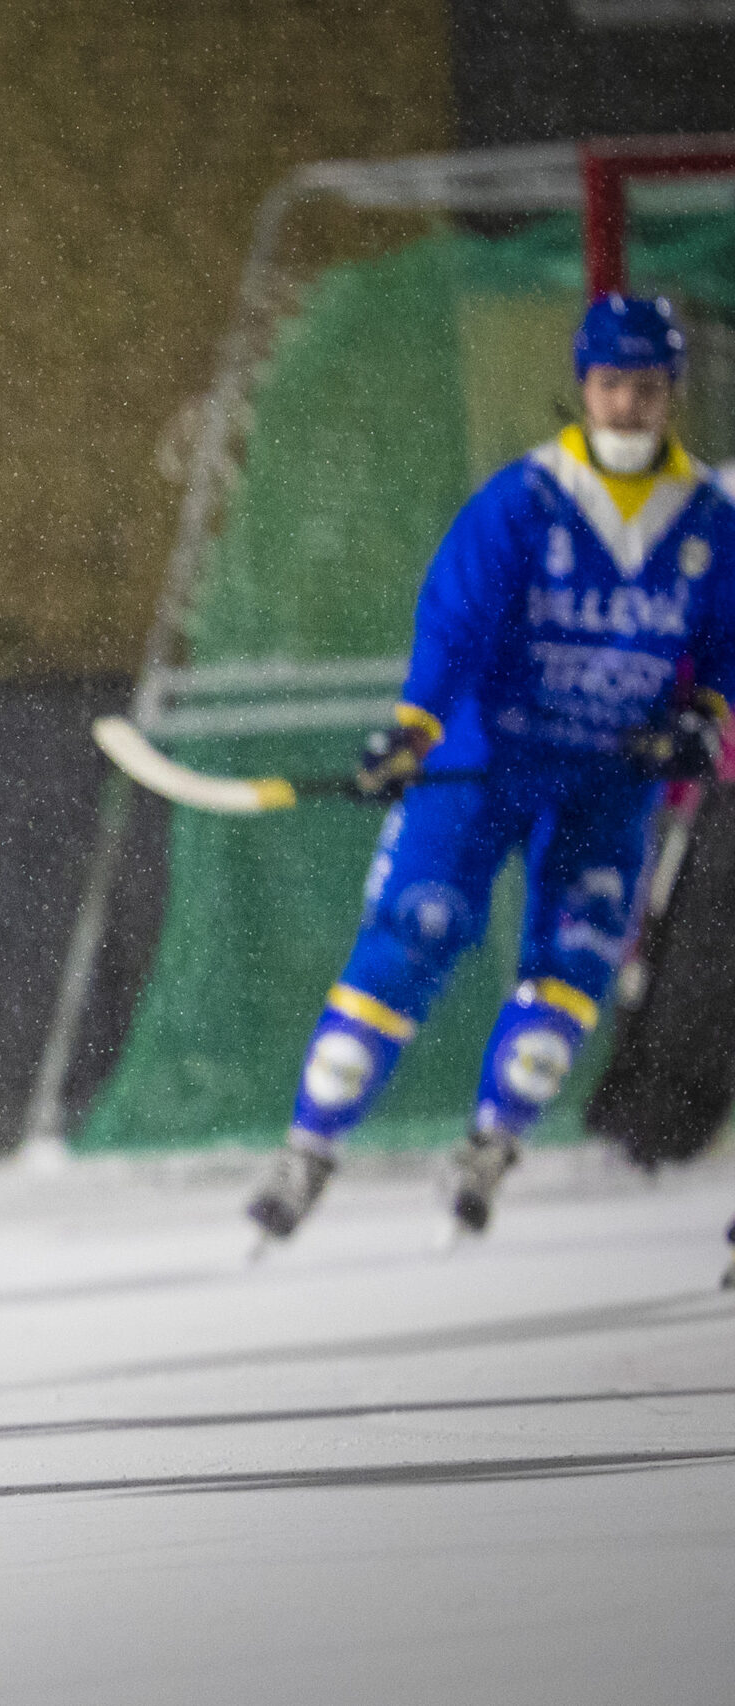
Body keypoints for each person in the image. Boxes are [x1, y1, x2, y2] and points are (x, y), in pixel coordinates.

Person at [246, 293, 735, 1245]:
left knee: (571, 978)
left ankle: (490, 1146)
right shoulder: (527, 499)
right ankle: (309, 1149)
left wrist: (702, 720)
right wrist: (412, 732)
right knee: (411, 937)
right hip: (485, 760)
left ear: (670, 393)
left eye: (646, 388)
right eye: (610, 385)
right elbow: (455, 625)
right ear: (583, 388)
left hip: (606, 779)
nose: (628, 405)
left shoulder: (710, 516)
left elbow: (725, 643)